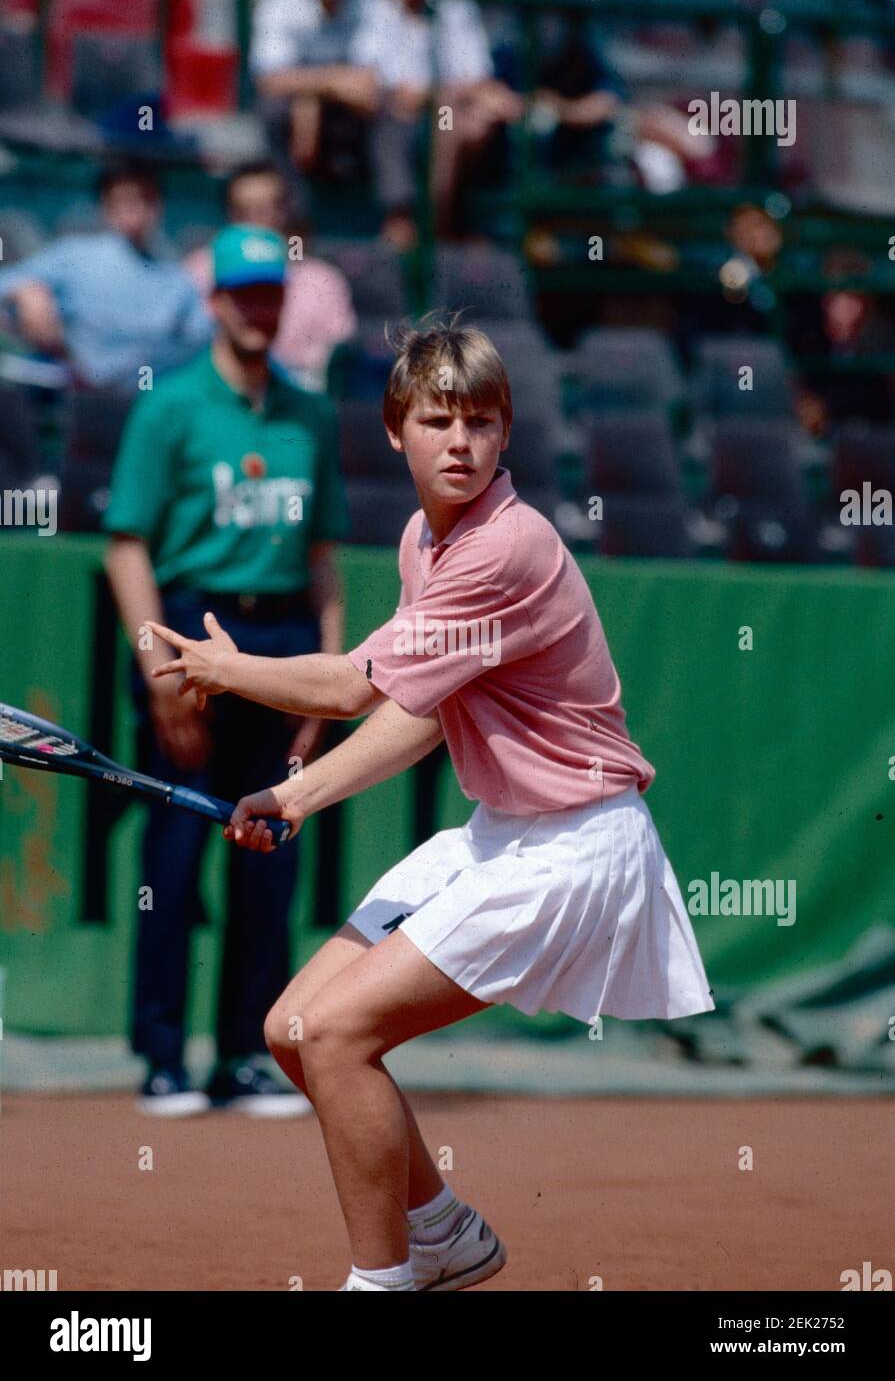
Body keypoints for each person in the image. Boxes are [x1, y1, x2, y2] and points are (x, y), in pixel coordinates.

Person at [145, 315, 715, 1289]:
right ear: (395, 430)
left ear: (504, 434)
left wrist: (230, 669)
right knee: (292, 1031)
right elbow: (420, 710)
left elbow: (349, 691)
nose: (462, 442)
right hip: (500, 835)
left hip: (576, 847)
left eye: (482, 422)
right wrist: (295, 794)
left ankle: (384, 1279)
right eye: (440, 420)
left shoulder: (509, 546)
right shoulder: (425, 540)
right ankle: (441, 1229)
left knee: (336, 1036)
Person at [102, 224, 349, 1117]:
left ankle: (247, 1053)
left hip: (279, 638)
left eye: (269, 293)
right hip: (190, 634)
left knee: (268, 851)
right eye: (241, 292)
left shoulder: (309, 414)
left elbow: (323, 557)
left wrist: (325, 676)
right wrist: (157, 666)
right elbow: (126, 545)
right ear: (213, 302)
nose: (256, 308)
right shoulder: (168, 407)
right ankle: (162, 1056)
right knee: (171, 855)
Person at [0, 159, 210, 391]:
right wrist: (26, 290)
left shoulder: (177, 277)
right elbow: (7, 280)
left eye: (144, 198)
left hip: (146, 396)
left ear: (159, 204)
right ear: (105, 205)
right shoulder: (75, 255)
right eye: (122, 199)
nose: (133, 208)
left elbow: (201, 341)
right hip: (80, 394)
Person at [353, 0, 523, 247]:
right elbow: (384, 85)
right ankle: (426, 224)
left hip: (448, 113)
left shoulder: (458, 10)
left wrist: (437, 95)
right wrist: (446, 94)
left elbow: (476, 78)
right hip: (393, 117)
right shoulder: (373, 8)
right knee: (452, 117)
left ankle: (430, 227)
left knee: (472, 122)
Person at [184, 160, 357, 392]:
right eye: (245, 210)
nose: (257, 220)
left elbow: (335, 355)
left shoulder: (321, 279)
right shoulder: (198, 270)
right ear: (229, 213)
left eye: (267, 208)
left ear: (286, 210)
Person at [250, 0, 377, 184]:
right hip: (304, 105)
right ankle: (292, 202)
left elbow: (368, 85)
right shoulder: (281, 1)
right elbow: (269, 79)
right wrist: (321, 91)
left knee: (388, 108)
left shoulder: (370, 3)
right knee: (274, 111)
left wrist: (310, 98)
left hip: (347, 111)